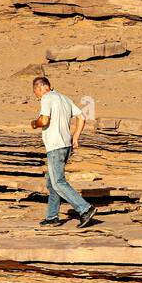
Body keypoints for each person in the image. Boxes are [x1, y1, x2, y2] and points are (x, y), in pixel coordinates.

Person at [30, 75, 95, 228]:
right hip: (66, 145)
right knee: (52, 183)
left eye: (35, 93)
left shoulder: (47, 98)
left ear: (40, 88)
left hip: (55, 146)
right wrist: (76, 137)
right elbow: (82, 117)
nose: (36, 96)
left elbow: (44, 121)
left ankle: (85, 209)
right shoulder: (64, 98)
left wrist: (34, 123)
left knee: (58, 182)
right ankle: (52, 216)